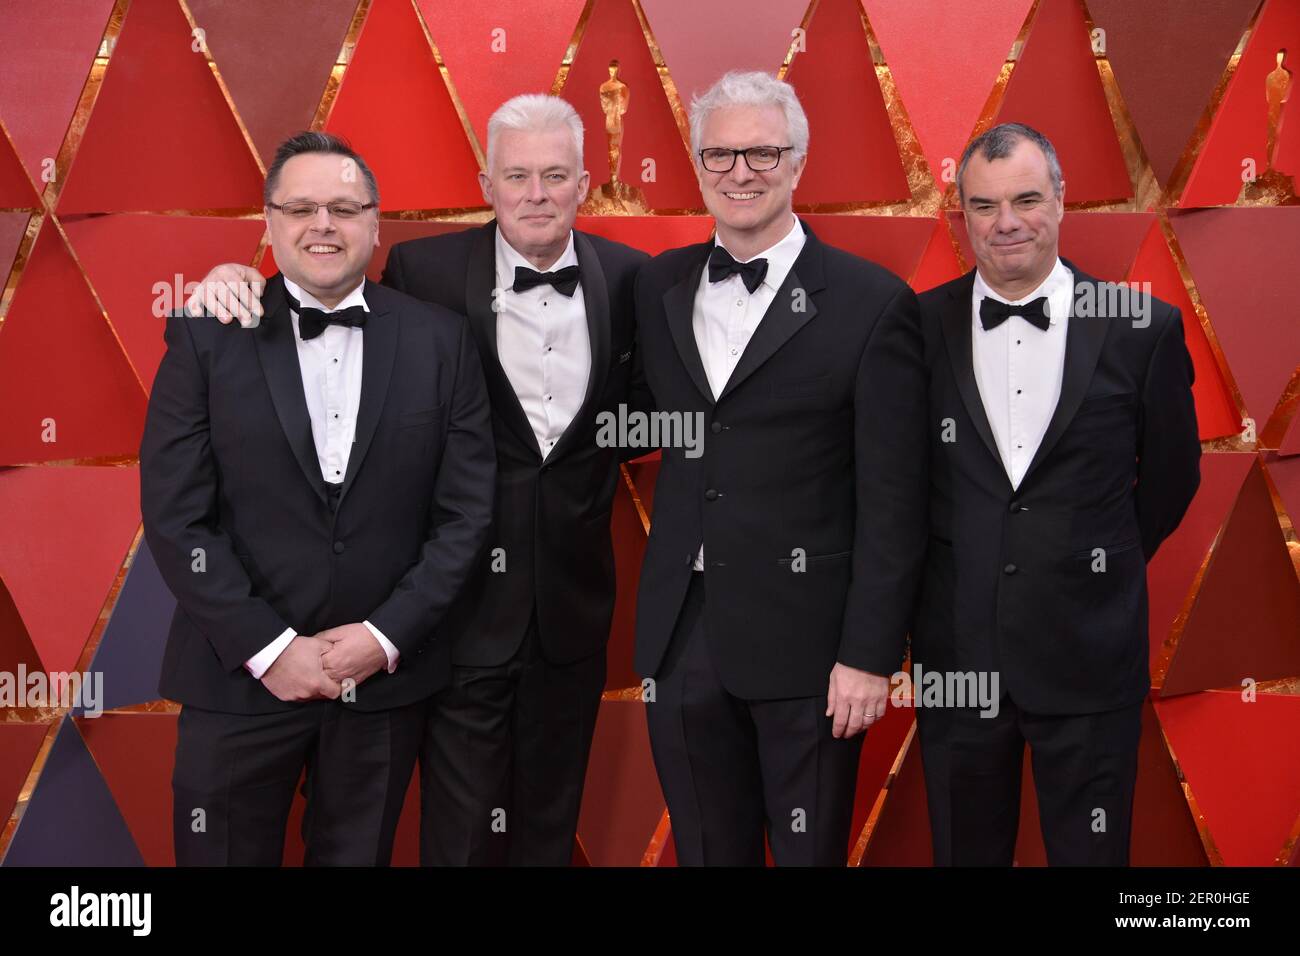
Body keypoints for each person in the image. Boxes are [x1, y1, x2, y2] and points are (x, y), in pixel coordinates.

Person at [183, 95, 649, 866]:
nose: (536, 192)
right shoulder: (424, 273)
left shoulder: (632, 279)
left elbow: (659, 404)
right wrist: (232, 275)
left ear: (585, 184)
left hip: (572, 607)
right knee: (456, 836)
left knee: (548, 824)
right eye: (518, 174)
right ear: (486, 182)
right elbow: (315, 286)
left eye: (556, 175)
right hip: (447, 617)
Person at [141, 131, 496, 865]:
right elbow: (177, 518)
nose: (322, 224)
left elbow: (464, 517)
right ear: (269, 223)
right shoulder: (207, 332)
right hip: (238, 679)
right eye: (300, 208)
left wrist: (384, 636)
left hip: (382, 685)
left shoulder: (443, 341)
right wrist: (270, 651)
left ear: (375, 221)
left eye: (343, 206)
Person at [631, 71, 928, 865]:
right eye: (720, 153)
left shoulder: (873, 303)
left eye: (762, 151)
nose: (740, 171)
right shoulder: (657, 284)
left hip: (813, 646)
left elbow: (896, 501)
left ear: (798, 162)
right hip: (683, 635)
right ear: (697, 165)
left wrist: (870, 654)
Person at [912, 122, 1201, 865]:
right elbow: (896, 484)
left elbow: (1172, 479)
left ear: (1063, 200)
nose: (1006, 223)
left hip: (1090, 653)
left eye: (1026, 199)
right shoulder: (916, 327)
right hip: (958, 658)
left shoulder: (1143, 327)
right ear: (963, 214)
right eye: (984, 206)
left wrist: (1089, 559)